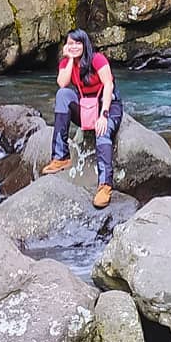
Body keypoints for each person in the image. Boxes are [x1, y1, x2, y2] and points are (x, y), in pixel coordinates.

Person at [42, 29, 123, 208]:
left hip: (106, 105)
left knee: (102, 133)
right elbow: (62, 83)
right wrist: (70, 59)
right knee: (63, 95)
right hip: (86, 108)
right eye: (70, 43)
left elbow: (108, 84)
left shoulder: (97, 59)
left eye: (77, 43)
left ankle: (105, 185)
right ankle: (61, 156)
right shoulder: (66, 62)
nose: (74, 46)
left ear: (85, 43)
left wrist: (104, 115)